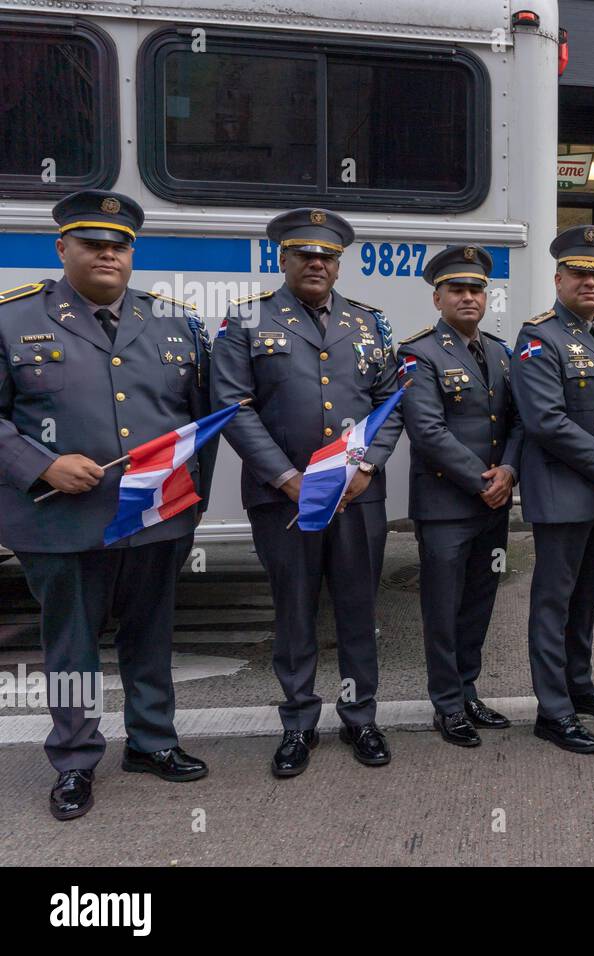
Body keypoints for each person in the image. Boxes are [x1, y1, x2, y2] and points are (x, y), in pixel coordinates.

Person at [0, 190, 213, 820]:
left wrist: (190, 504)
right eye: (93, 243)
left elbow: (200, 424)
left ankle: (151, 741)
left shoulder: (176, 322)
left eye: (119, 245)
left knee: (151, 635)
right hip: (58, 519)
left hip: (156, 514)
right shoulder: (12, 320)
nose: (107, 254)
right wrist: (41, 465)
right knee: (72, 643)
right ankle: (73, 759)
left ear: (132, 254)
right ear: (61, 247)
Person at [210, 208, 403, 777]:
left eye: (327, 256)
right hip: (283, 499)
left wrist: (367, 466)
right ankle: (297, 723)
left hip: (356, 496)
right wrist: (288, 478)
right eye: (304, 254)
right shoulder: (245, 321)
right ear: (283, 259)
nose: (316, 262)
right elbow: (233, 408)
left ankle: (360, 716)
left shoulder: (370, 323)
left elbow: (391, 404)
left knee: (357, 609)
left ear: (339, 264)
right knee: (293, 610)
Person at [511, 225, 594, 754]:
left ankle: (580, 685)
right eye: (580, 274)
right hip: (563, 491)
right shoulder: (539, 337)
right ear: (559, 278)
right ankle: (553, 709)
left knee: (587, 597)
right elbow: (544, 419)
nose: (590, 282)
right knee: (553, 601)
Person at [398, 245, 521, 747]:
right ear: (437, 298)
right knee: (443, 609)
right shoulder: (418, 353)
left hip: (492, 502)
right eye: (457, 290)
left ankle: (468, 690)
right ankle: (447, 705)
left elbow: (516, 422)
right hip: (447, 505)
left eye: (476, 290)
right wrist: (485, 480)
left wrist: (510, 469)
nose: (469, 298)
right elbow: (427, 430)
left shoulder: (499, 351)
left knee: (479, 602)